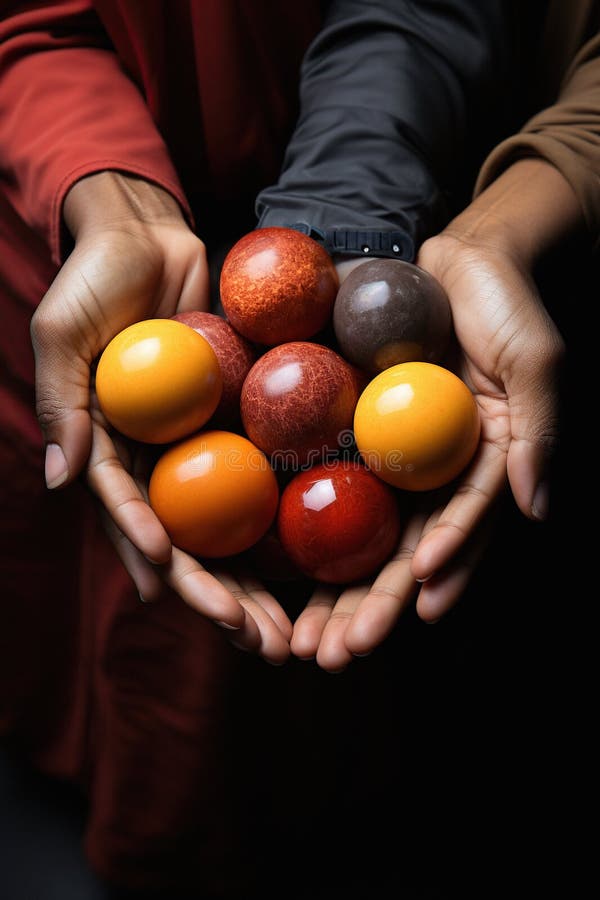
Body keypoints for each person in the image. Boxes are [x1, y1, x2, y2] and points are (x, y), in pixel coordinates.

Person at [0, 0, 598, 896]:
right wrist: (106, 191)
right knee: (123, 647)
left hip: (429, 202)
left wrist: (459, 230)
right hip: (87, 267)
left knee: (371, 737)